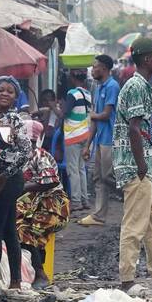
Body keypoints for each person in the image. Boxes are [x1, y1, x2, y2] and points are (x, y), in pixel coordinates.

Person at [113, 36, 152, 292]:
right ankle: (127, 280)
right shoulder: (136, 86)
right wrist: (141, 165)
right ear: (148, 59)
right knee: (135, 224)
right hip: (137, 165)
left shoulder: (143, 85)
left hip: (144, 163)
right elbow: (134, 129)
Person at [0, 76, 36, 294]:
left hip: (8, 180)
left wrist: (4, 175)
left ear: (16, 97)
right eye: (1, 90)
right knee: (9, 229)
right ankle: (15, 281)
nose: (4, 94)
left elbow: (24, 151)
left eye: (9, 91)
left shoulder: (13, 119)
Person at [16, 148, 70, 291]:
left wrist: (20, 187)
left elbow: (51, 181)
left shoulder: (38, 155)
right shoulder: (15, 157)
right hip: (34, 206)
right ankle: (30, 274)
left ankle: (40, 274)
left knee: (21, 228)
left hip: (52, 205)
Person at [79, 55, 120, 227]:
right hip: (100, 140)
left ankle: (137, 198)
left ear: (103, 68)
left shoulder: (112, 86)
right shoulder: (98, 87)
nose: (92, 69)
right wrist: (88, 145)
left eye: (94, 67)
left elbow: (105, 114)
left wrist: (92, 115)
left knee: (108, 176)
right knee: (98, 178)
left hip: (110, 139)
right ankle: (98, 216)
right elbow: (96, 119)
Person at [62, 70, 93, 214]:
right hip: (85, 133)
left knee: (73, 169)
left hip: (73, 134)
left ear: (73, 78)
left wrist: (54, 108)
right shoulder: (87, 94)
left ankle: (75, 202)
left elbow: (66, 113)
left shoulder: (72, 93)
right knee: (81, 169)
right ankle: (84, 200)